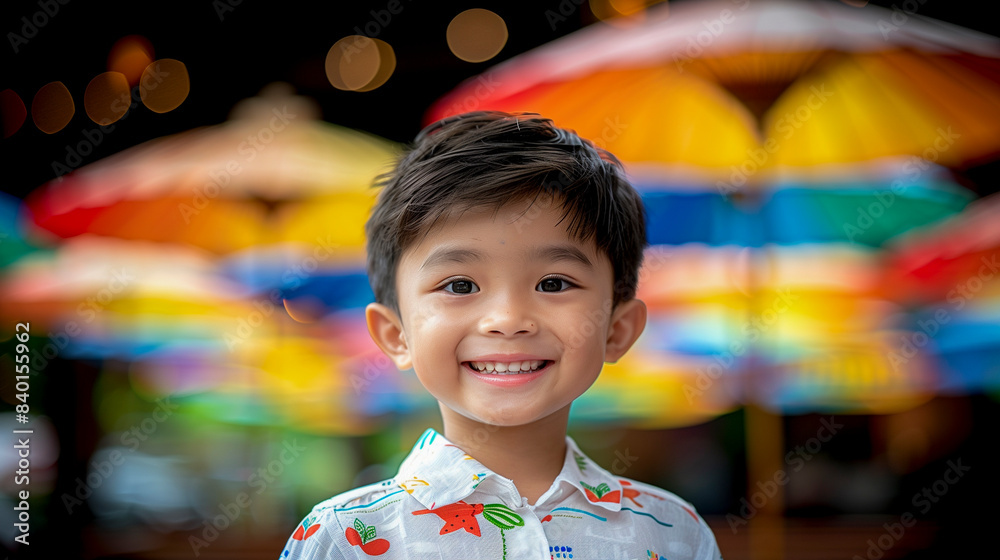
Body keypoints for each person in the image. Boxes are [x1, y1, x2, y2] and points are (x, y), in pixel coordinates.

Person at [279, 111, 723, 559]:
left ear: (618, 329)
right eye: (459, 286)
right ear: (395, 334)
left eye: (553, 283)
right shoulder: (345, 538)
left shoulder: (673, 534)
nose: (508, 319)